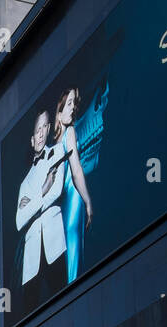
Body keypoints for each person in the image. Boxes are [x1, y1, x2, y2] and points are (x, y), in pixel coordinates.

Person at [16, 110, 67, 285]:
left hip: (55, 244)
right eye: (37, 129)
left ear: (49, 128)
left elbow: (57, 192)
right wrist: (43, 189)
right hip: (31, 259)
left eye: (44, 126)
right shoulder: (24, 183)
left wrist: (32, 205)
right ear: (32, 139)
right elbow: (19, 221)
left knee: (62, 293)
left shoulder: (58, 151)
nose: (40, 133)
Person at [52, 87, 93, 284]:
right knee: (73, 241)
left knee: (71, 243)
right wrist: (88, 202)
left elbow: (73, 170)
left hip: (67, 200)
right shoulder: (69, 133)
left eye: (74, 104)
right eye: (69, 104)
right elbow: (76, 170)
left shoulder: (61, 139)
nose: (73, 108)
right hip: (72, 197)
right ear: (59, 113)